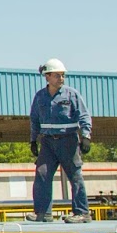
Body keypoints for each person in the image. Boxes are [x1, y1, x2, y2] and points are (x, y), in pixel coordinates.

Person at [26, 58, 92, 223]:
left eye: (62, 75)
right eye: (57, 75)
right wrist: (33, 140)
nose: (61, 79)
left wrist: (86, 136)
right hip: (47, 142)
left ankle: (82, 213)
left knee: (75, 175)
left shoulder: (71, 94)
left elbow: (84, 115)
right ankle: (43, 213)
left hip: (68, 140)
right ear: (47, 76)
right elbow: (34, 119)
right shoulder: (40, 96)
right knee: (42, 174)